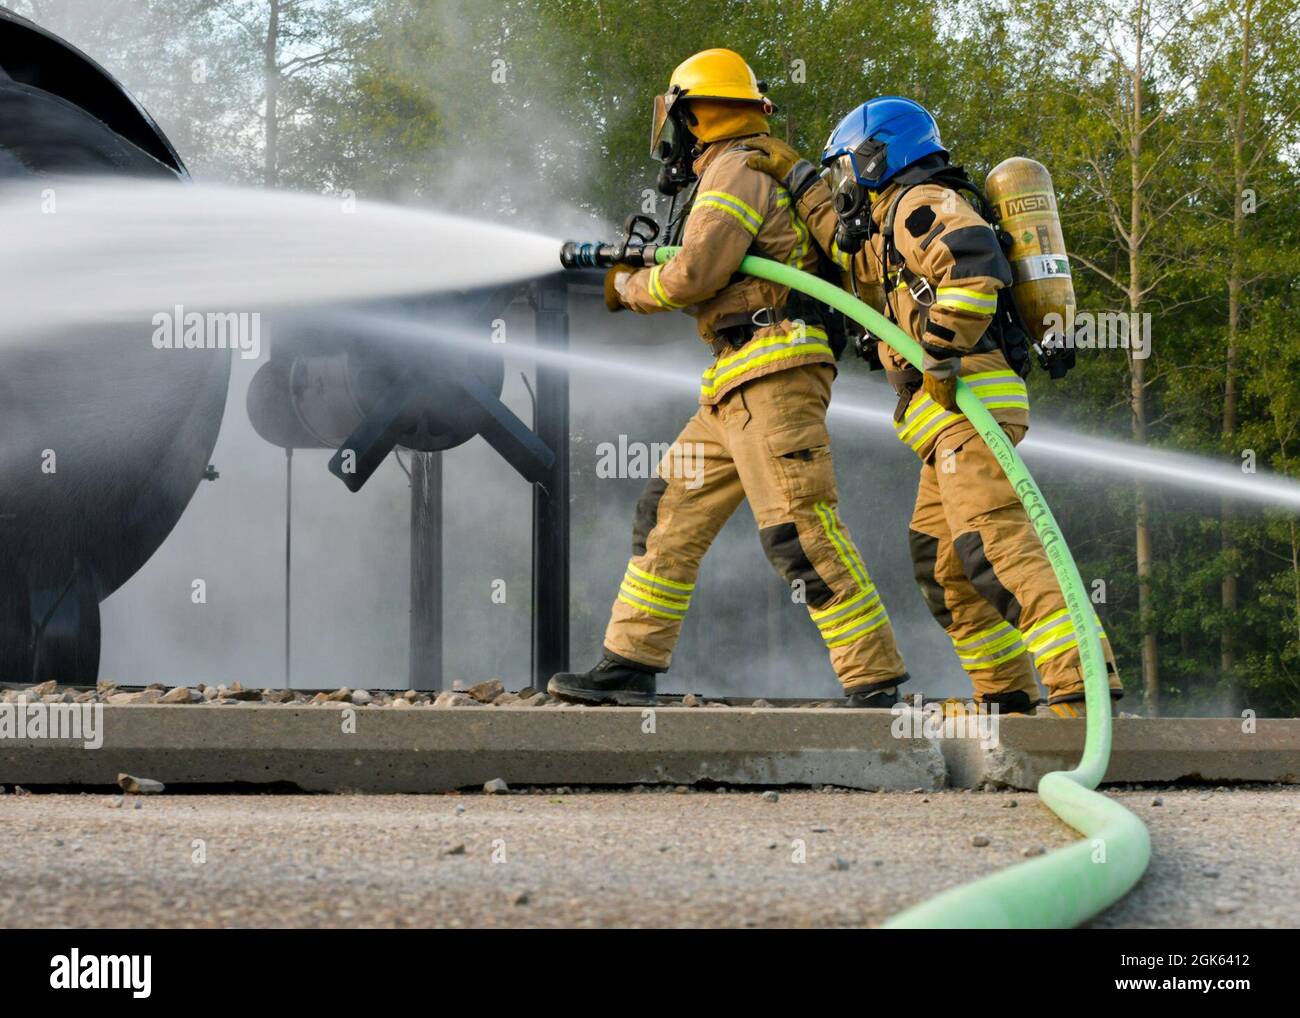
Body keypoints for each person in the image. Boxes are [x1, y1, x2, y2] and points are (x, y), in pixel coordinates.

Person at [548, 51, 908, 707]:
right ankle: (629, 664)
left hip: (774, 367)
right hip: (732, 380)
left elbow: (695, 274)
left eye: (676, 117)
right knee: (666, 518)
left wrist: (626, 289)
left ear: (699, 113)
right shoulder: (731, 166)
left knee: (799, 530)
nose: (671, 136)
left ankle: (874, 682)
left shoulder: (737, 165)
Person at [743, 97, 1122, 717]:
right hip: (944, 423)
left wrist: (941, 350)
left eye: (844, 171)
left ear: (876, 157)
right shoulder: (889, 222)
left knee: (993, 543)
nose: (844, 188)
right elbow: (849, 259)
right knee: (942, 562)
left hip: (971, 408)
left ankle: (1083, 685)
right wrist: (799, 178)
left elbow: (973, 266)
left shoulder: (922, 203)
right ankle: (1005, 695)